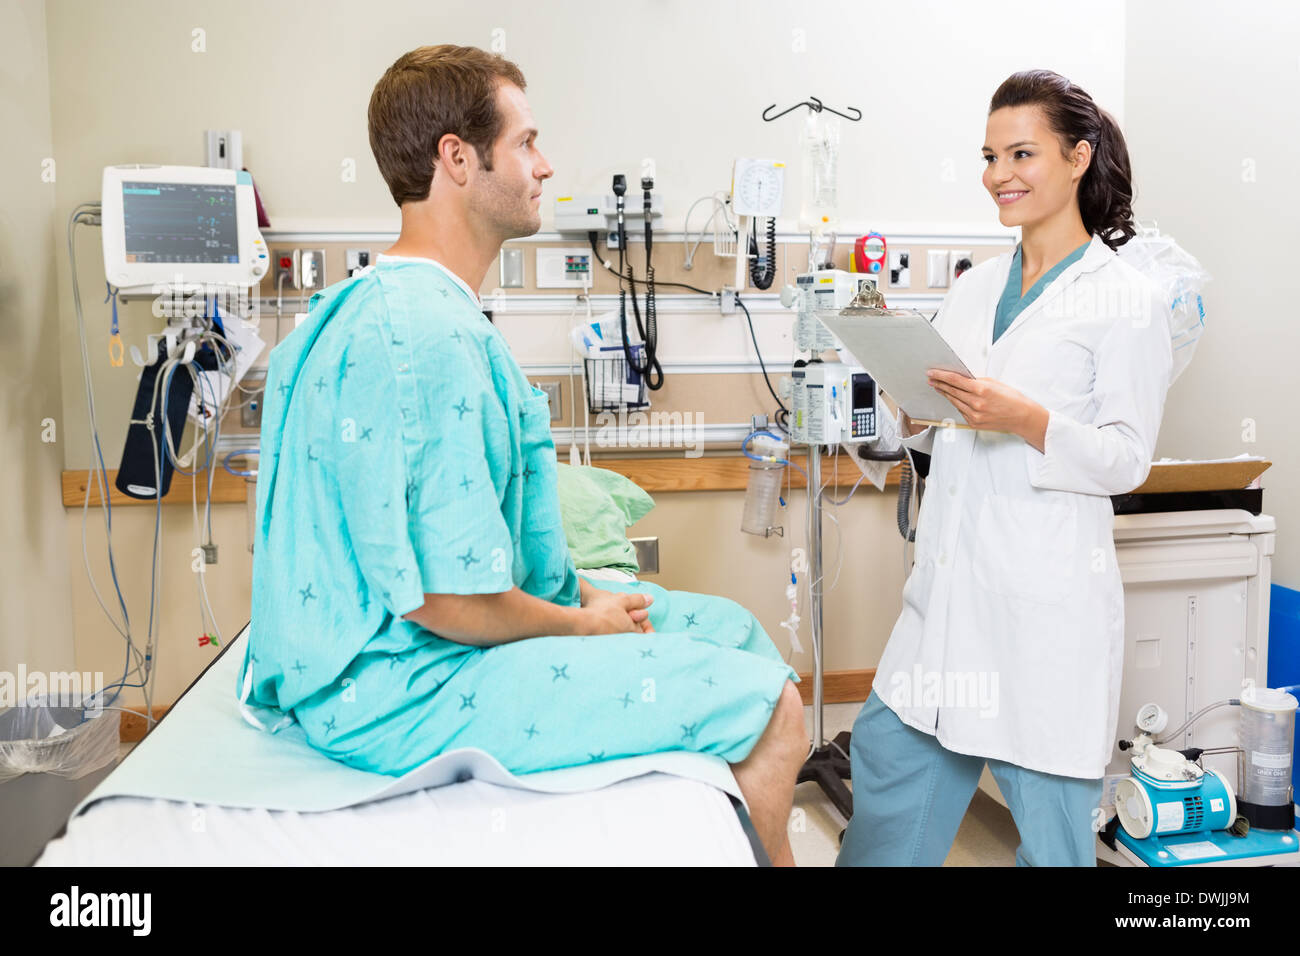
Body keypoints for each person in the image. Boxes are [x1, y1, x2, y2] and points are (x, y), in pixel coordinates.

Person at [237, 45, 807, 866]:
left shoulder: (387, 303)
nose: (545, 166)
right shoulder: (426, 337)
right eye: (527, 142)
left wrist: (587, 598)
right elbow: (448, 602)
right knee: (775, 707)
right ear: (457, 158)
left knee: (732, 627)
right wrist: (582, 625)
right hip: (400, 686)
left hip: (414, 648)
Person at [836, 69, 1172, 867]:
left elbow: (1126, 459)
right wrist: (915, 411)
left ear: (1079, 158)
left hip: (1040, 621)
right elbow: (945, 432)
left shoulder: (1127, 300)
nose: (998, 175)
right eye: (989, 156)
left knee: (1054, 847)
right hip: (944, 609)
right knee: (884, 809)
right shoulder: (973, 289)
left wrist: (1022, 418)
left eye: (1022, 153)